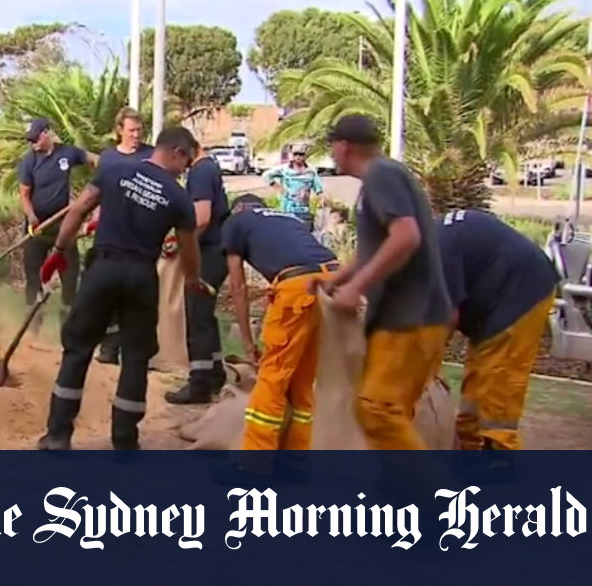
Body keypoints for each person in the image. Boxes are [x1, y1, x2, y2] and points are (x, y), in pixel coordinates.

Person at [37, 126, 209, 451]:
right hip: (141, 277)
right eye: (186, 162)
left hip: (103, 268)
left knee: (78, 349)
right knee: (135, 356)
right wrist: (192, 279)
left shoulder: (115, 169)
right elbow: (189, 250)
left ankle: (58, 436)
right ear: (176, 151)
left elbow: (79, 209)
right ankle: (125, 442)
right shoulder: (178, 198)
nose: (185, 170)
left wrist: (58, 251)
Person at [316, 114, 453, 450]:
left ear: (345, 146)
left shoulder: (380, 174)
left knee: (377, 410)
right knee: (392, 412)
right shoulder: (384, 176)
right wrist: (338, 280)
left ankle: (431, 494)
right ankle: (403, 490)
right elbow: (376, 250)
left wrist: (356, 289)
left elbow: (406, 237)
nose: (332, 153)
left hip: (409, 319)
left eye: (333, 145)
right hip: (410, 319)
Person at [221, 194, 340, 452]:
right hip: (333, 280)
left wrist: (248, 342)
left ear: (239, 208)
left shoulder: (236, 221)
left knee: (272, 377)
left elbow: (238, 287)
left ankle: (254, 462)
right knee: (303, 377)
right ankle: (296, 457)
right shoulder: (289, 218)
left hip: (298, 285)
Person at [436, 209, 558, 452]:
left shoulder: (435, 252)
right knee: (478, 378)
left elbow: (446, 317)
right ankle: (469, 446)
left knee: (499, 382)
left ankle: (497, 456)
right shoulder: (432, 236)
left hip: (523, 293)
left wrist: (428, 365)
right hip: (495, 297)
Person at [164, 144, 232, 404]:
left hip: (209, 251)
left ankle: (199, 385)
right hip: (217, 250)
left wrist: (182, 244)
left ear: (183, 151)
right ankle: (215, 374)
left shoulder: (200, 171)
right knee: (205, 314)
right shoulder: (209, 167)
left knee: (197, 317)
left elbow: (201, 217)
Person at [87, 108, 152, 365]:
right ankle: (109, 348)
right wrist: (94, 218)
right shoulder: (108, 159)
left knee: (138, 296)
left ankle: (137, 353)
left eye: (139, 130)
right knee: (108, 294)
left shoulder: (150, 155)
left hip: (142, 236)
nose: (136, 135)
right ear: (120, 131)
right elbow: (99, 194)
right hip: (111, 234)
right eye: (131, 130)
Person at [17, 118, 97, 321]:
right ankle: (32, 325)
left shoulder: (67, 153)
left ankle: (67, 324)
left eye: (35, 139)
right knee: (33, 277)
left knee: (70, 277)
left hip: (63, 225)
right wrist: (32, 217)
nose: (33, 144)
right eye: (30, 140)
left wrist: (110, 170)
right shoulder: (29, 161)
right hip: (38, 228)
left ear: (46, 134)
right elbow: (24, 196)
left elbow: (95, 160)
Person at [263, 146, 324, 225]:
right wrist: (278, 188)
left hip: (304, 210)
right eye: (295, 154)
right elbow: (266, 176)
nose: (298, 157)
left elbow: (319, 189)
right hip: (287, 209)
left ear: (305, 156)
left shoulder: (311, 172)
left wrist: (321, 200)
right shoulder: (284, 169)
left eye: (301, 155)